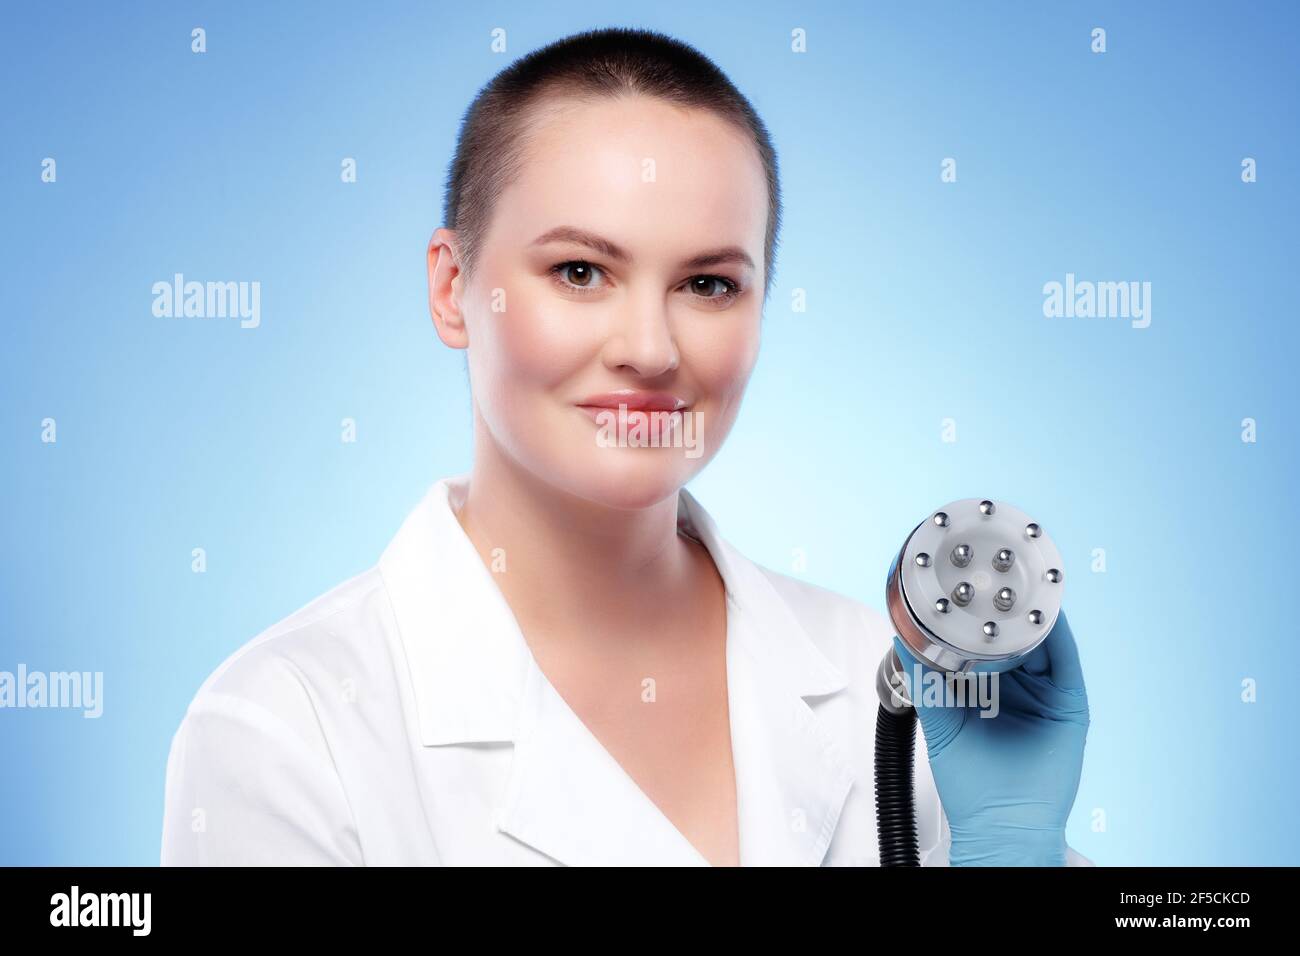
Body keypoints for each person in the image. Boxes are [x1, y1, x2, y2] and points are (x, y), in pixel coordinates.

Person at [161, 27, 1092, 867]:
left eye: (709, 284)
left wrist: (1015, 861)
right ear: (453, 289)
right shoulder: (287, 729)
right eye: (580, 271)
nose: (649, 348)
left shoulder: (885, 689)